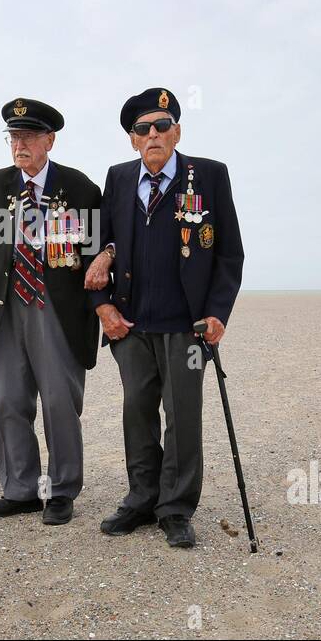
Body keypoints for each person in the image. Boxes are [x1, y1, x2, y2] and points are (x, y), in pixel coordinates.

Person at [85, 88, 244, 548]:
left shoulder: (210, 175)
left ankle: (174, 508)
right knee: (137, 413)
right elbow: (94, 245)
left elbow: (229, 253)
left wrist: (217, 313)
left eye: (162, 125)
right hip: (130, 326)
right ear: (133, 140)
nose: (152, 134)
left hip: (186, 327)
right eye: (142, 129)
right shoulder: (117, 179)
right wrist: (102, 308)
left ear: (177, 132)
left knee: (183, 417)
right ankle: (141, 498)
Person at [0, 98, 101, 526]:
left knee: (59, 401)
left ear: (49, 140)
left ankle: (61, 490)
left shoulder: (78, 187)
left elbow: (91, 249)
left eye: (29, 137)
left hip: (56, 306)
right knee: (9, 402)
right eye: (14, 137)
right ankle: (20, 488)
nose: (19, 144)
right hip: (9, 305)